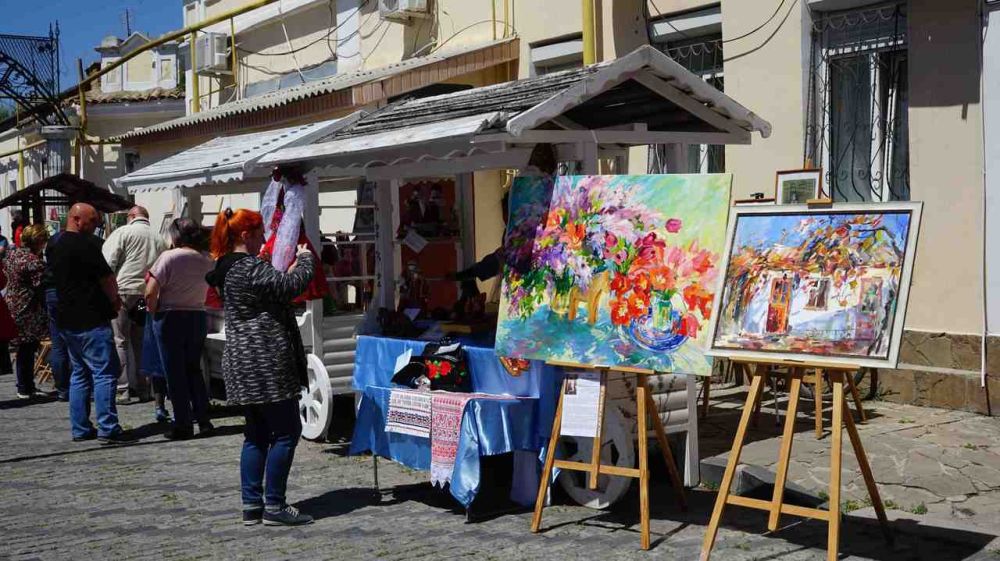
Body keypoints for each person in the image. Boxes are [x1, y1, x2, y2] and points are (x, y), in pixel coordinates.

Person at [205, 208, 315, 527]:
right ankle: (275, 505)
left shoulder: (225, 269)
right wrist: (306, 258)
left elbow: (274, 288)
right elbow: (290, 287)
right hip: (265, 360)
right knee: (286, 432)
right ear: (245, 236)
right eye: (259, 234)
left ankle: (252, 505)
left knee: (255, 434)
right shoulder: (248, 267)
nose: (263, 240)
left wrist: (288, 270)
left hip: (242, 359)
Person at [48, 203, 130, 444]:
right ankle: (108, 427)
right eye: (92, 221)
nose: (95, 226)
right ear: (76, 219)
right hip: (90, 316)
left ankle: (81, 427)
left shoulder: (55, 244)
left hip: (66, 317)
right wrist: (115, 300)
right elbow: (107, 278)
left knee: (80, 373)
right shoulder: (87, 245)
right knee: (105, 372)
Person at [145, 218, 214, 440]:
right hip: (197, 314)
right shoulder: (207, 259)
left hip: (170, 316)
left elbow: (150, 291)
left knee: (174, 373)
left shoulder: (169, 257)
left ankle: (183, 423)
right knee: (193, 369)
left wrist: (153, 310)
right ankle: (203, 419)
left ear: (176, 236)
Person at [103, 206, 166, 405]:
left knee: (120, 339)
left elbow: (108, 261)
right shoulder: (159, 238)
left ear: (131, 217)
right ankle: (144, 387)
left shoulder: (123, 232)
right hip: (143, 296)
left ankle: (122, 390)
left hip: (123, 293)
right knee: (140, 339)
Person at [6, 225, 49, 399]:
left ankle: (26, 385)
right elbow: (41, 285)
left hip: (13, 302)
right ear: (38, 241)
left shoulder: (13, 255)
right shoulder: (32, 261)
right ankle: (25, 387)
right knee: (27, 347)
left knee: (24, 347)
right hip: (27, 307)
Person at [42, 231, 70, 401]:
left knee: (58, 344)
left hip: (52, 292)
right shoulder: (73, 245)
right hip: (67, 293)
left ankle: (63, 389)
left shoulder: (52, 244)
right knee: (74, 341)